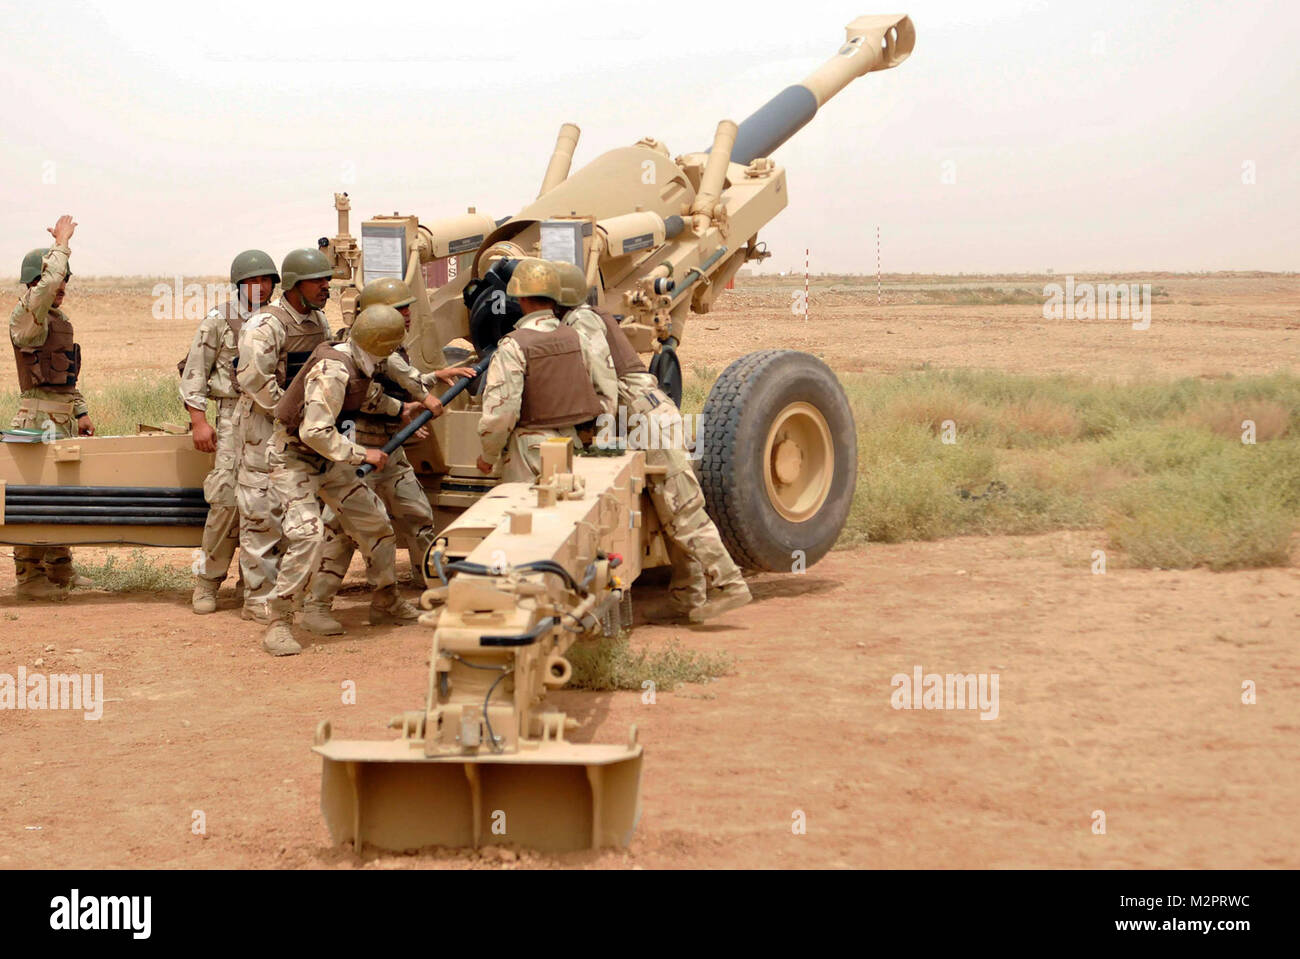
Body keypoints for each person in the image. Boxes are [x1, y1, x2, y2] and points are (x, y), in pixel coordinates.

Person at [552, 261, 751, 623]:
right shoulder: (590, 316)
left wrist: (596, 433)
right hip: (651, 415)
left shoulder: (581, 321)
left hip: (645, 419)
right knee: (669, 512)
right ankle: (688, 598)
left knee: (682, 508)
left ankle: (730, 584)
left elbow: (603, 382)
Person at [260, 304, 444, 656]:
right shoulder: (333, 369)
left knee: (375, 523)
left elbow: (364, 395)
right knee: (307, 533)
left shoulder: (362, 359)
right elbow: (314, 431)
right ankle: (280, 623)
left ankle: (386, 602)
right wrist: (364, 455)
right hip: (294, 458)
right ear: (381, 344)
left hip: (330, 459)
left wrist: (402, 409)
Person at [300, 277, 473, 635]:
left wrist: (427, 389)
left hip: (390, 451)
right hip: (354, 453)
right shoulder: (348, 354)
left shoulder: (387, 346)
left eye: (408, 309)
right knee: (343, 532)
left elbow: (401, 375)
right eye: (400, 310)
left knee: (417, 514)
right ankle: (316, 606)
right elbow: (364, 397)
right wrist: (403, 409)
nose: (407, 316)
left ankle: (423, 593)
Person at [234, 248, 334, 622]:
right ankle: (257, 599)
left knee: (298, 515)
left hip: (299, 433)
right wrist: (293, 413)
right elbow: (256, 382)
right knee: (261, 516)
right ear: (294, 285)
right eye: (318, 280)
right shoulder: (265, 325)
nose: (326, 286)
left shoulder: (318, 322)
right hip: (265, 430)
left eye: (328, 280)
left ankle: (289, 595)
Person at [180, 250, 278, 613]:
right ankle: (207, 582)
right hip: (230, 414)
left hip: (271, 416)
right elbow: (194, 374)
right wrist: (198, 421)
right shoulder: (219, 320)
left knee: (265, 504)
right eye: (254, 280)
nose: (261, 286)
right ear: (240, 284)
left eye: (267, 280)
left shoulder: (278, 319)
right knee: (224, 501)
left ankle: (253, 582)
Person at [9, 215, 94, 601]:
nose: (61, 289)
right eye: (56, 282)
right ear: (38, 282)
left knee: (61, 495)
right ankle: (29, 576)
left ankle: (59, 570)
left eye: (64, 283)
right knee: (34, 496)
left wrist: (80, 412)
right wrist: (62, 243)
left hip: (60, 419)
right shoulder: (29, 314)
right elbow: (46, 286)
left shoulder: (58, 321)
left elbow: (67, 378)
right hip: (37, 420)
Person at [475, 258, 612, 483]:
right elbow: (604, 388)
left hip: (528, 455)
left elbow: (502, 414)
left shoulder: (514, 345)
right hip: (572, 447)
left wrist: (488, 456)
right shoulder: (577, 337)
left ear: (520, 298)